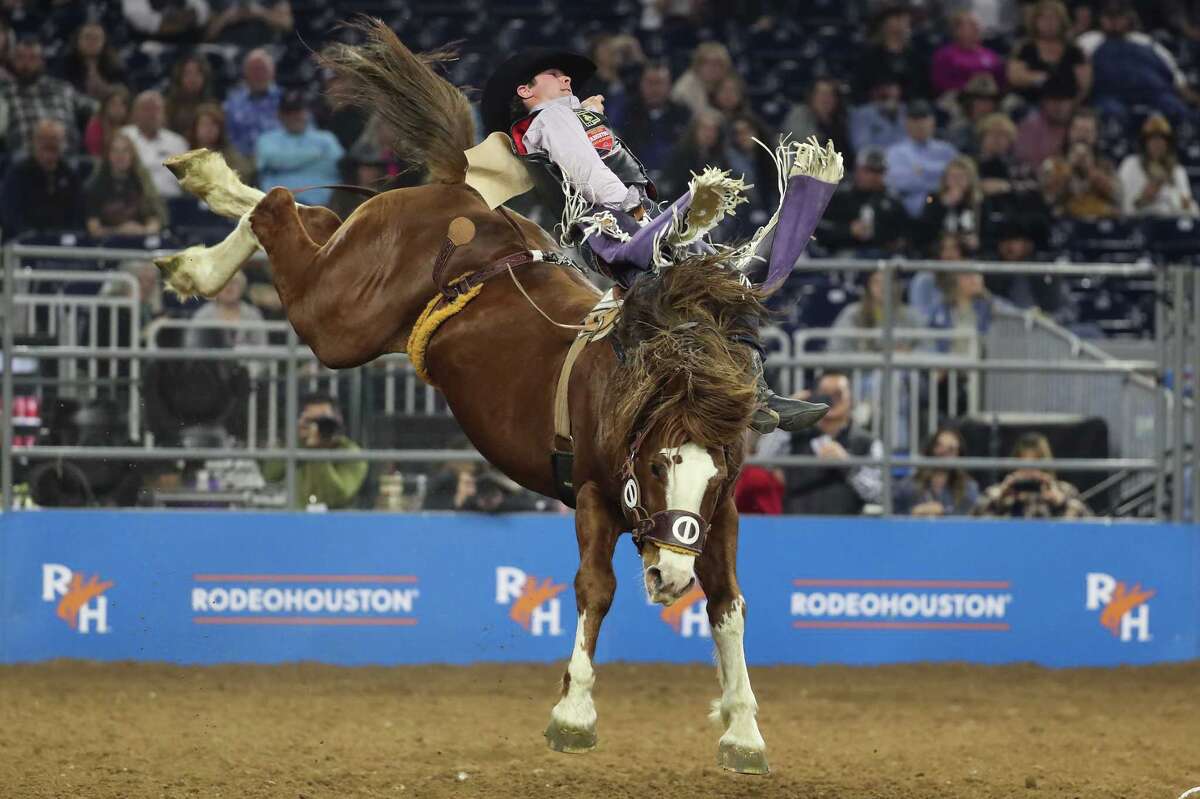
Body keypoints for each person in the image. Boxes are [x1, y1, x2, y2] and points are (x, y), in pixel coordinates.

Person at [480, 48, 837, 434]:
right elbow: (586, 173)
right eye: (554, 74)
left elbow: (591, 155)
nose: (566, 78)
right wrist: (636, 210)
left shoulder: (564, 117)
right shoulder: (551, 117)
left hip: (625, 219)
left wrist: (591, 117)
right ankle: (737, 392)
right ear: (525, 91)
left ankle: (754, 394)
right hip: (615, 221)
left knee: (723, 286)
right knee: (694, 288)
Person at [1078, 0, 1200, 127]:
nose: (1114, 21)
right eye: (1109, 16)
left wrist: (1188, 94)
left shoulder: (1146, 41)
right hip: (1109, 97)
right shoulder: (1088, 41)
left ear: (1128, 17)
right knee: (1111, 113)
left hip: (1154, 96)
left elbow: (1174, 74)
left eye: (1119, 16)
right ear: (1101, 18)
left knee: (1175, 108)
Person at [785, 370, 884, 515]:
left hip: (847, 530)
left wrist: (848, 465)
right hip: (798, 527)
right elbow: (764, 460)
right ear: (813, 396)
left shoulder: (869, 442)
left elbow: (878, 494)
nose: (830, 399)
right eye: (824, 393)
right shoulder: (793, 434)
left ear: (851, 398)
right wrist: (786, 413)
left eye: (838, 394)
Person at [261, 393, 369, 510]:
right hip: (295, 519)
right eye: (311, 421)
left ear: (337, 421)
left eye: (323, 421)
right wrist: (298, 440)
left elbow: (336, 496)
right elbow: (269, 474)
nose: (317, 427)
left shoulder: (351, 454)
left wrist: (319, 450)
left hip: (335, 522)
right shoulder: (297, 447)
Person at [0, 38, 97, 154]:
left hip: (68, 159)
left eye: (32, 58)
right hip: (24, 161)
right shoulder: (5, 92)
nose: (26, 64)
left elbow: (98, 108)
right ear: (13, 61)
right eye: (21, 58)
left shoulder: (62, 88)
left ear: (42, 61)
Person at [255, 90, 343, 206]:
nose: (294, 117)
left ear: (307, 112)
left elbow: (337, 167)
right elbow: (273, 160)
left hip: (320, 207)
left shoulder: (326, 138)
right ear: (280, 115)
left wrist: (285, 164)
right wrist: (316, 155)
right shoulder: (267, 139)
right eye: (288, 112)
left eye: (298, 111)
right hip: (279, 207)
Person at [972, 432, 1091, 518]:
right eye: (1023, 462)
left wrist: (1061, 503)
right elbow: (971, 525)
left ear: (1045, 464)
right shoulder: (998, 491)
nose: (1029, 470)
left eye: (1035, 462)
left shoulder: (1064, 490)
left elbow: (1091, 528)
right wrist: (1000, 498)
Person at [815, 148, 909, 255]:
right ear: (857, 170)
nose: (874, 176)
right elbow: (819, 230)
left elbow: (903, 234)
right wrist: (849, 231)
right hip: (841, 255)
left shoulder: (892, 201)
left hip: (882, 256)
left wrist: (880, 232)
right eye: (869, 170)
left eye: (879, 171)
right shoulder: (839, 197)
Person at [0, 119, 84, 235]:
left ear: (63, 143)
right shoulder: (17, 174)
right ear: (34, 141)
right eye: (43, 138)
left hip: (63, 244)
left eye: (55, 139)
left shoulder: (70, 175)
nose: (49, 144)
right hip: (23, 244)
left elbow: (78, 218)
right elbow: (10, 217)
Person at [1039, 107, 1120, 219]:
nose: (1082, 136)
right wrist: (1068, 167)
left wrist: (1091, 170)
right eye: (1078, 130)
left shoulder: (1105, 165)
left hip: (1099, 221)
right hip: (1065, 223)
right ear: (1069, 133)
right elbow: (1048, 198)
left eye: (1088, 131)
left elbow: (1117, 197)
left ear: (1095, 135)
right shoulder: (1052, 163)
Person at [1007, 0, 1091, 107]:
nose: (1049, 23)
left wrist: (1069, 105)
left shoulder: (1075, 50)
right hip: (1030, 102)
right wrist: (1041, 79)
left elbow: (1084, 86)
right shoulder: (1025, 49)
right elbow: (1015, 77)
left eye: (1054, 18)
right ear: (1035, 21)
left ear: (1062, 21)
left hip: (1067, 104)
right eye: (1044, 18)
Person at [84, 132, 167, 239]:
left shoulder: (142, 182)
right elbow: (94, 229)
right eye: (115, 151)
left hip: (140, 242)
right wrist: (120, 231)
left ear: (132, 155)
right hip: (106, 246)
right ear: (108, 155)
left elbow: (155, 220)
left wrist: (142, 231)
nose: (120, 155)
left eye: (125, 151)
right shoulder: (96, 185)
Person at [885, 100, 960, 217]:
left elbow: (960, 178)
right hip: (909, 214)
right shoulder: (895, 152)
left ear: (933, 122)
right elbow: (895, 182)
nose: (920, 125)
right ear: (907, 124)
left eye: (924, 119)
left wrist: (922, 171)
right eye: (915, 120)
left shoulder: (947, 150)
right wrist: (941, 174)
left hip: (946, 207)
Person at [618, 61, 692, 178]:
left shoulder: (682, 113)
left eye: (659, 83)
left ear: (669, 85)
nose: (654, 89)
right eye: (650, 82)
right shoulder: (628, 111)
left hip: (675, 180)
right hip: (633, 178)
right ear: (641, 84)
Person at [1117, 114, 1198, 218]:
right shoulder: (1130, 165)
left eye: (1162, 139)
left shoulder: (1177, 170)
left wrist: (1185, 204)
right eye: (1153, 139)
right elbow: (1124, 209)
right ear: (1144, 143)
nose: (1157, 143)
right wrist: (1144, 199)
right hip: (1142, 225)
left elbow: (1194, 212)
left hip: (1172, 224)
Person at [894, 426, 980, 516]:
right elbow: (892, 515)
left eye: (951, 449)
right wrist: (913, 512)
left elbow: (968, 519)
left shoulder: (968, 488)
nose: (944, 452)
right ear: (931, 449)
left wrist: (943, 512)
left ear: (959, 454)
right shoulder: (908, 485)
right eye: (940, 446)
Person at [120, 91, 190, 199]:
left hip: (172, 202)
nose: (152, 114)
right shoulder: (124, 137)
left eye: (156, 109)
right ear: (135, 113)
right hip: (135, 202)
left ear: (163, 113)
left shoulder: (178, 142)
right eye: (146, 109)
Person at [853, 4, 929, 102]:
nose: (903, 22)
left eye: (904, 19)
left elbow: (924, 88)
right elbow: (859, 88)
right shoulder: (869, 56)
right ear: (885, 23)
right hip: (877, 109)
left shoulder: (916, 56)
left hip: (910, 109)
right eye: (897, 18)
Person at [930, 10, 1006, 98]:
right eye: (972, 25)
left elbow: (1001, 80)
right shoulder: (945, 55)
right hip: (958, 96)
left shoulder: (990, 55)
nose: (977, 27)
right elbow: (939, 82)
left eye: (978, 24)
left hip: (991, 96)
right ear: (957, 30)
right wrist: (966, 87)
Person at [183, 271, 267, 350]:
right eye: (224, 283)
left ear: (241, 288)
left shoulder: (252, 314)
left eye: (234, 283)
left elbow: (261, 346)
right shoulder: (204, 314)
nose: (229, 287)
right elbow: (191, 346)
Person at [916, 155, 982, 253]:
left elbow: (987, 233)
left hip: (969, 254)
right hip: (938, 252)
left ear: (970, 179)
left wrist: (977, 242)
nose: (956, 181)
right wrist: (943, 205)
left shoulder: (979, 202)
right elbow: (922, 232)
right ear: (945, 179)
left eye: (961, 177)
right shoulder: (933, 199)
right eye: (952, 176)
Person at [223, 48, 282, 158]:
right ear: (245, 73)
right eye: (254, 70)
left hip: (281, 160)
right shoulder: (233, 103)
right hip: (242, 162)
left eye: (262, 69)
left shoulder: (287, 100)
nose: (258, 74)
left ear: (272, 71)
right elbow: (226, 138)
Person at [783, 78, 852, 166]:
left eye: (831, 94)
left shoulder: (840, 122)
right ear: (811, 96)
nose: (826, 98)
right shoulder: (800, 113)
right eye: (822, 94)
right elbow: (807, 145)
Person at [1013, 74, 1075, 171]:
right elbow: (1025, 163)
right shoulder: (1029, 127)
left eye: (1064, 101)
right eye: (1054, 101)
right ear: (1044, 102)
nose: (1059, 107)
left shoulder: (1078, 125)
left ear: (1072, 103)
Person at [189, 102, 255, 184]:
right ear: (195, 128)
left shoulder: (230, 155)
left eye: (214, 125)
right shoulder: (186, 153)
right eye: (205, 124)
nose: (209, 129)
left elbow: (244, 174)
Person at [61, 22, 127, 101]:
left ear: (104, 42)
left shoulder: (115, 65)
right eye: (87, 37)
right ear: (77, 40)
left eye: (96, 38)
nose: (92, 42)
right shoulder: (65, 64)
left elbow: (127, 91)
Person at [849, 73, 907, 155]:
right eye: (882, 88)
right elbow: (861, 147)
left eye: (891, 87)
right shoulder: (862, 114)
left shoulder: (906, 111)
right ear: (874, 91)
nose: (887, 91)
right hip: (876, 162)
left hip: (907, 162)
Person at [670, 42, 732, 117]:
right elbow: (701, 120)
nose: (713, 68)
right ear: (698, 65)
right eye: (708, 63)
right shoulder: (686, 88)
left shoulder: (726, 82)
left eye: (718, 64)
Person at [165, 53, 215, 138]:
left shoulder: (213, 107)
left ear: (205, 77)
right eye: (188, 73)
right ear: (179, 77)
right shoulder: (168, 106)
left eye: (198, 73)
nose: (193, 78)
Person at [206, 0, 293, 48]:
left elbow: (286, 24)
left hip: (265, 49)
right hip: (228, 51)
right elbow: (207, 35)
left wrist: (259, 13)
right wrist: (226, 17)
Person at [122, 0, 211, 41]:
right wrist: (183, 19)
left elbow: (202, 11)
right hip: (149, 48)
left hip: (188, 44)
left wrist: (174, 20)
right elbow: (158, 26)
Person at [84, 85, 131, 158]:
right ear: (105, 106)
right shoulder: (96, 126)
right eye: (113, 104)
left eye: (122, 104)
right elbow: (95, 156)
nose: (118, 109)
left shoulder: (133, 127)